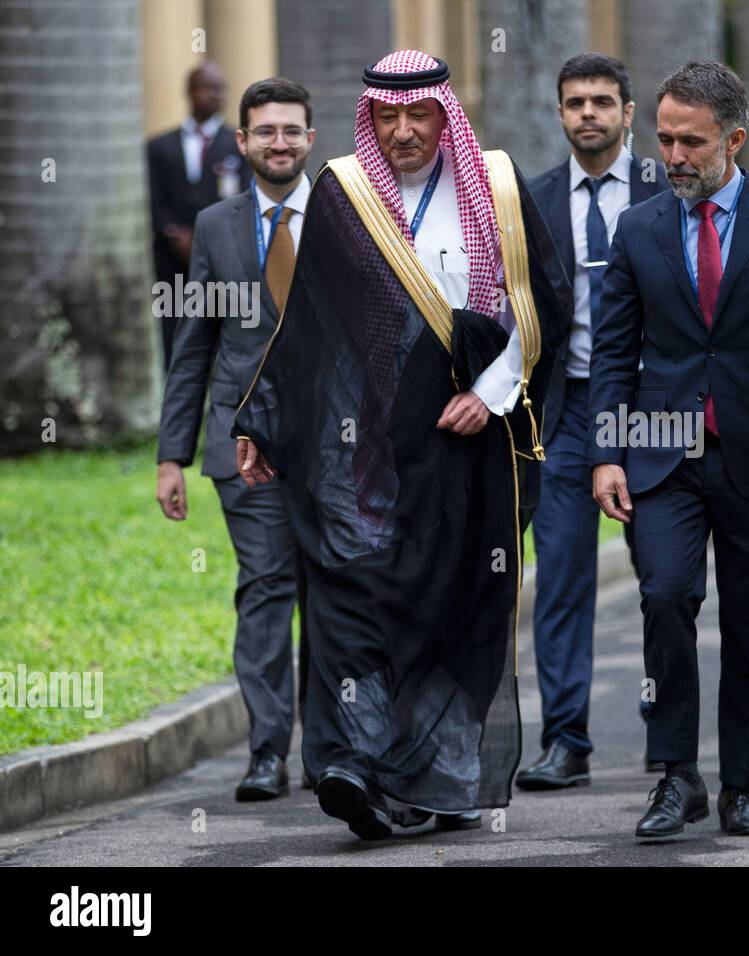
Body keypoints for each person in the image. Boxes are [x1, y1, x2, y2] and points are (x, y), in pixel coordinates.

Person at [232, 50, 569, 840]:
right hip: (371, 439)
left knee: (452, 600)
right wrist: (263, 420)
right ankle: (357, 763)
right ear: (371, 119)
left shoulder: (497, 186)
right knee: (356, 586)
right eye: (388, 116)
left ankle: (437, 779)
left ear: (444, 114)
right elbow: (309, 325)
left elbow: (539, 308)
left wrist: (488, 396)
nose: (404, 130)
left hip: (471, 441)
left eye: (419, 114)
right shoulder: (345, 191)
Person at [588, 62, 749, 840]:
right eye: (664, 138)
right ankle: (677, 776)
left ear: (734, 140)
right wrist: (607, 452)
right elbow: (613, 350)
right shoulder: (638, 229)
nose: (673, 156)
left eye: (691, 142)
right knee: (665, 596)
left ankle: (742, 786)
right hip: (660, 454)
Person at [156, 77, 316, 802]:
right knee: (266, 585)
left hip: (331, 443)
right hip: (239, 443)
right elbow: (194, 343)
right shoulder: (216, 226)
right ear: (243, 140)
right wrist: (172, 454)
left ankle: (331, 749)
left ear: (310, 138)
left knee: (332, 592)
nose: (279, 142)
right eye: (266, 131)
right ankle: (267, 752)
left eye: (291, 130)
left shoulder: (345, 213)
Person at [516, 53, 669, 792]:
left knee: (663, 577)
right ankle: (565, 741)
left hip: (654, 410)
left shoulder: (667, 191)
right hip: (566, 409)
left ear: (628, 112)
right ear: (560, 113)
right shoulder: (533, 200)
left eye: (602, 101)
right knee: (561, 577)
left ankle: (666, 730)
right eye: (575, 102)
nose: (588, 114)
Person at [147, 63, 247, 369]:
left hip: (222, 258)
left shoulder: (238, 145)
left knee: (221, 332)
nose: (214, 95)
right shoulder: (159, 147)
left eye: (220, 89)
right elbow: (152, 198)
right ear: (190, 91)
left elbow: (243, 197)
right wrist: (173, 233)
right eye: (207, 87)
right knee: (174, 332)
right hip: (172, 261)